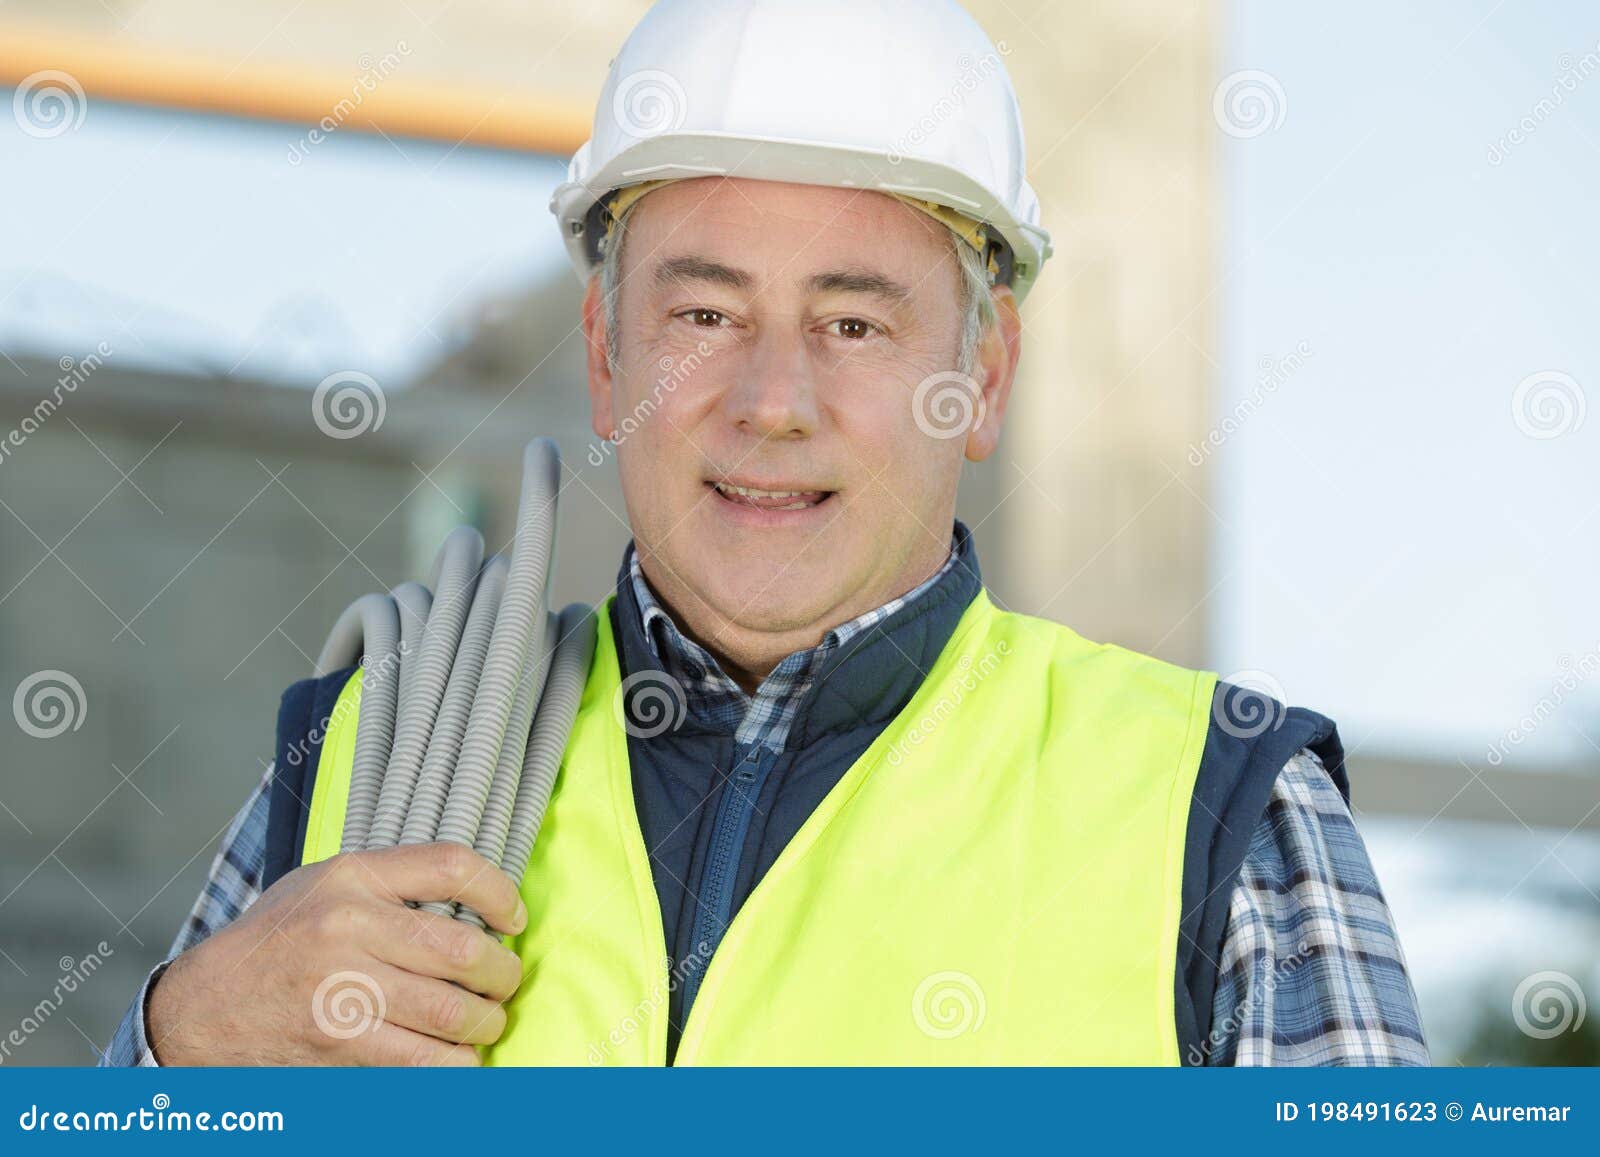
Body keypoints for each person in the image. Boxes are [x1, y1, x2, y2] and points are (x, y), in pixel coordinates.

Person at [102, 0, 1427, 1066]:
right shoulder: (349, 771)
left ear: (987, 371)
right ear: (608, 361)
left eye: (854, 324)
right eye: (704, 316)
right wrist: (168, 1050)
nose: (773, 401)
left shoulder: (1222, 816)